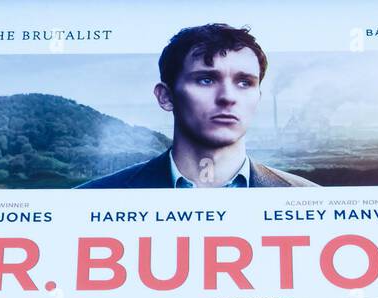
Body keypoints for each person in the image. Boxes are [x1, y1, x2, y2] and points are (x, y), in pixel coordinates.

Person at [77, 24, 317, 189]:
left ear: (258, 97)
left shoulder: (310, 198)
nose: (227, 97)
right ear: (166, 97)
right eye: (206, 79)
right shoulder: (92, 198)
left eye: (244, 82)